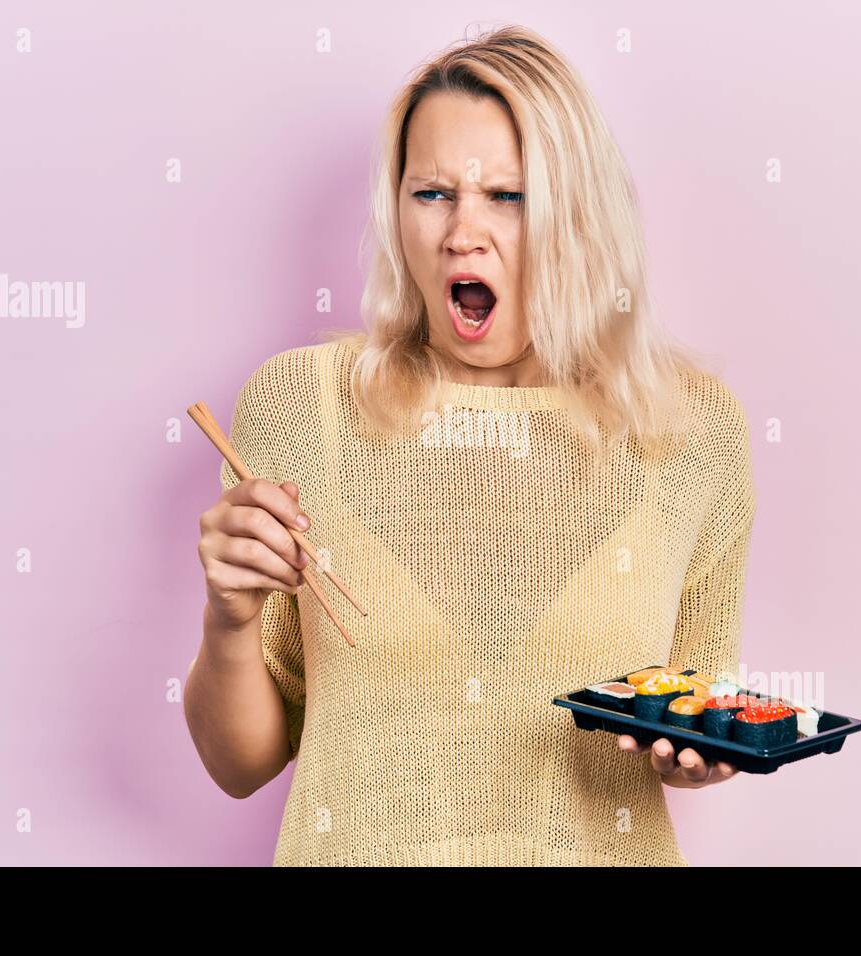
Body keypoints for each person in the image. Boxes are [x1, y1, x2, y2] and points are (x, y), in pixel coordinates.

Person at [184, 24, 755, 866]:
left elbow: (697, 719)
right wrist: (228, 618)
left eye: (509, 197)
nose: (462, 233)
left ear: (581, 216)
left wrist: (708, 759)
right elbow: (241, 766)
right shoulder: (300, 406)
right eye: (432, 193)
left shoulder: (693, 429)